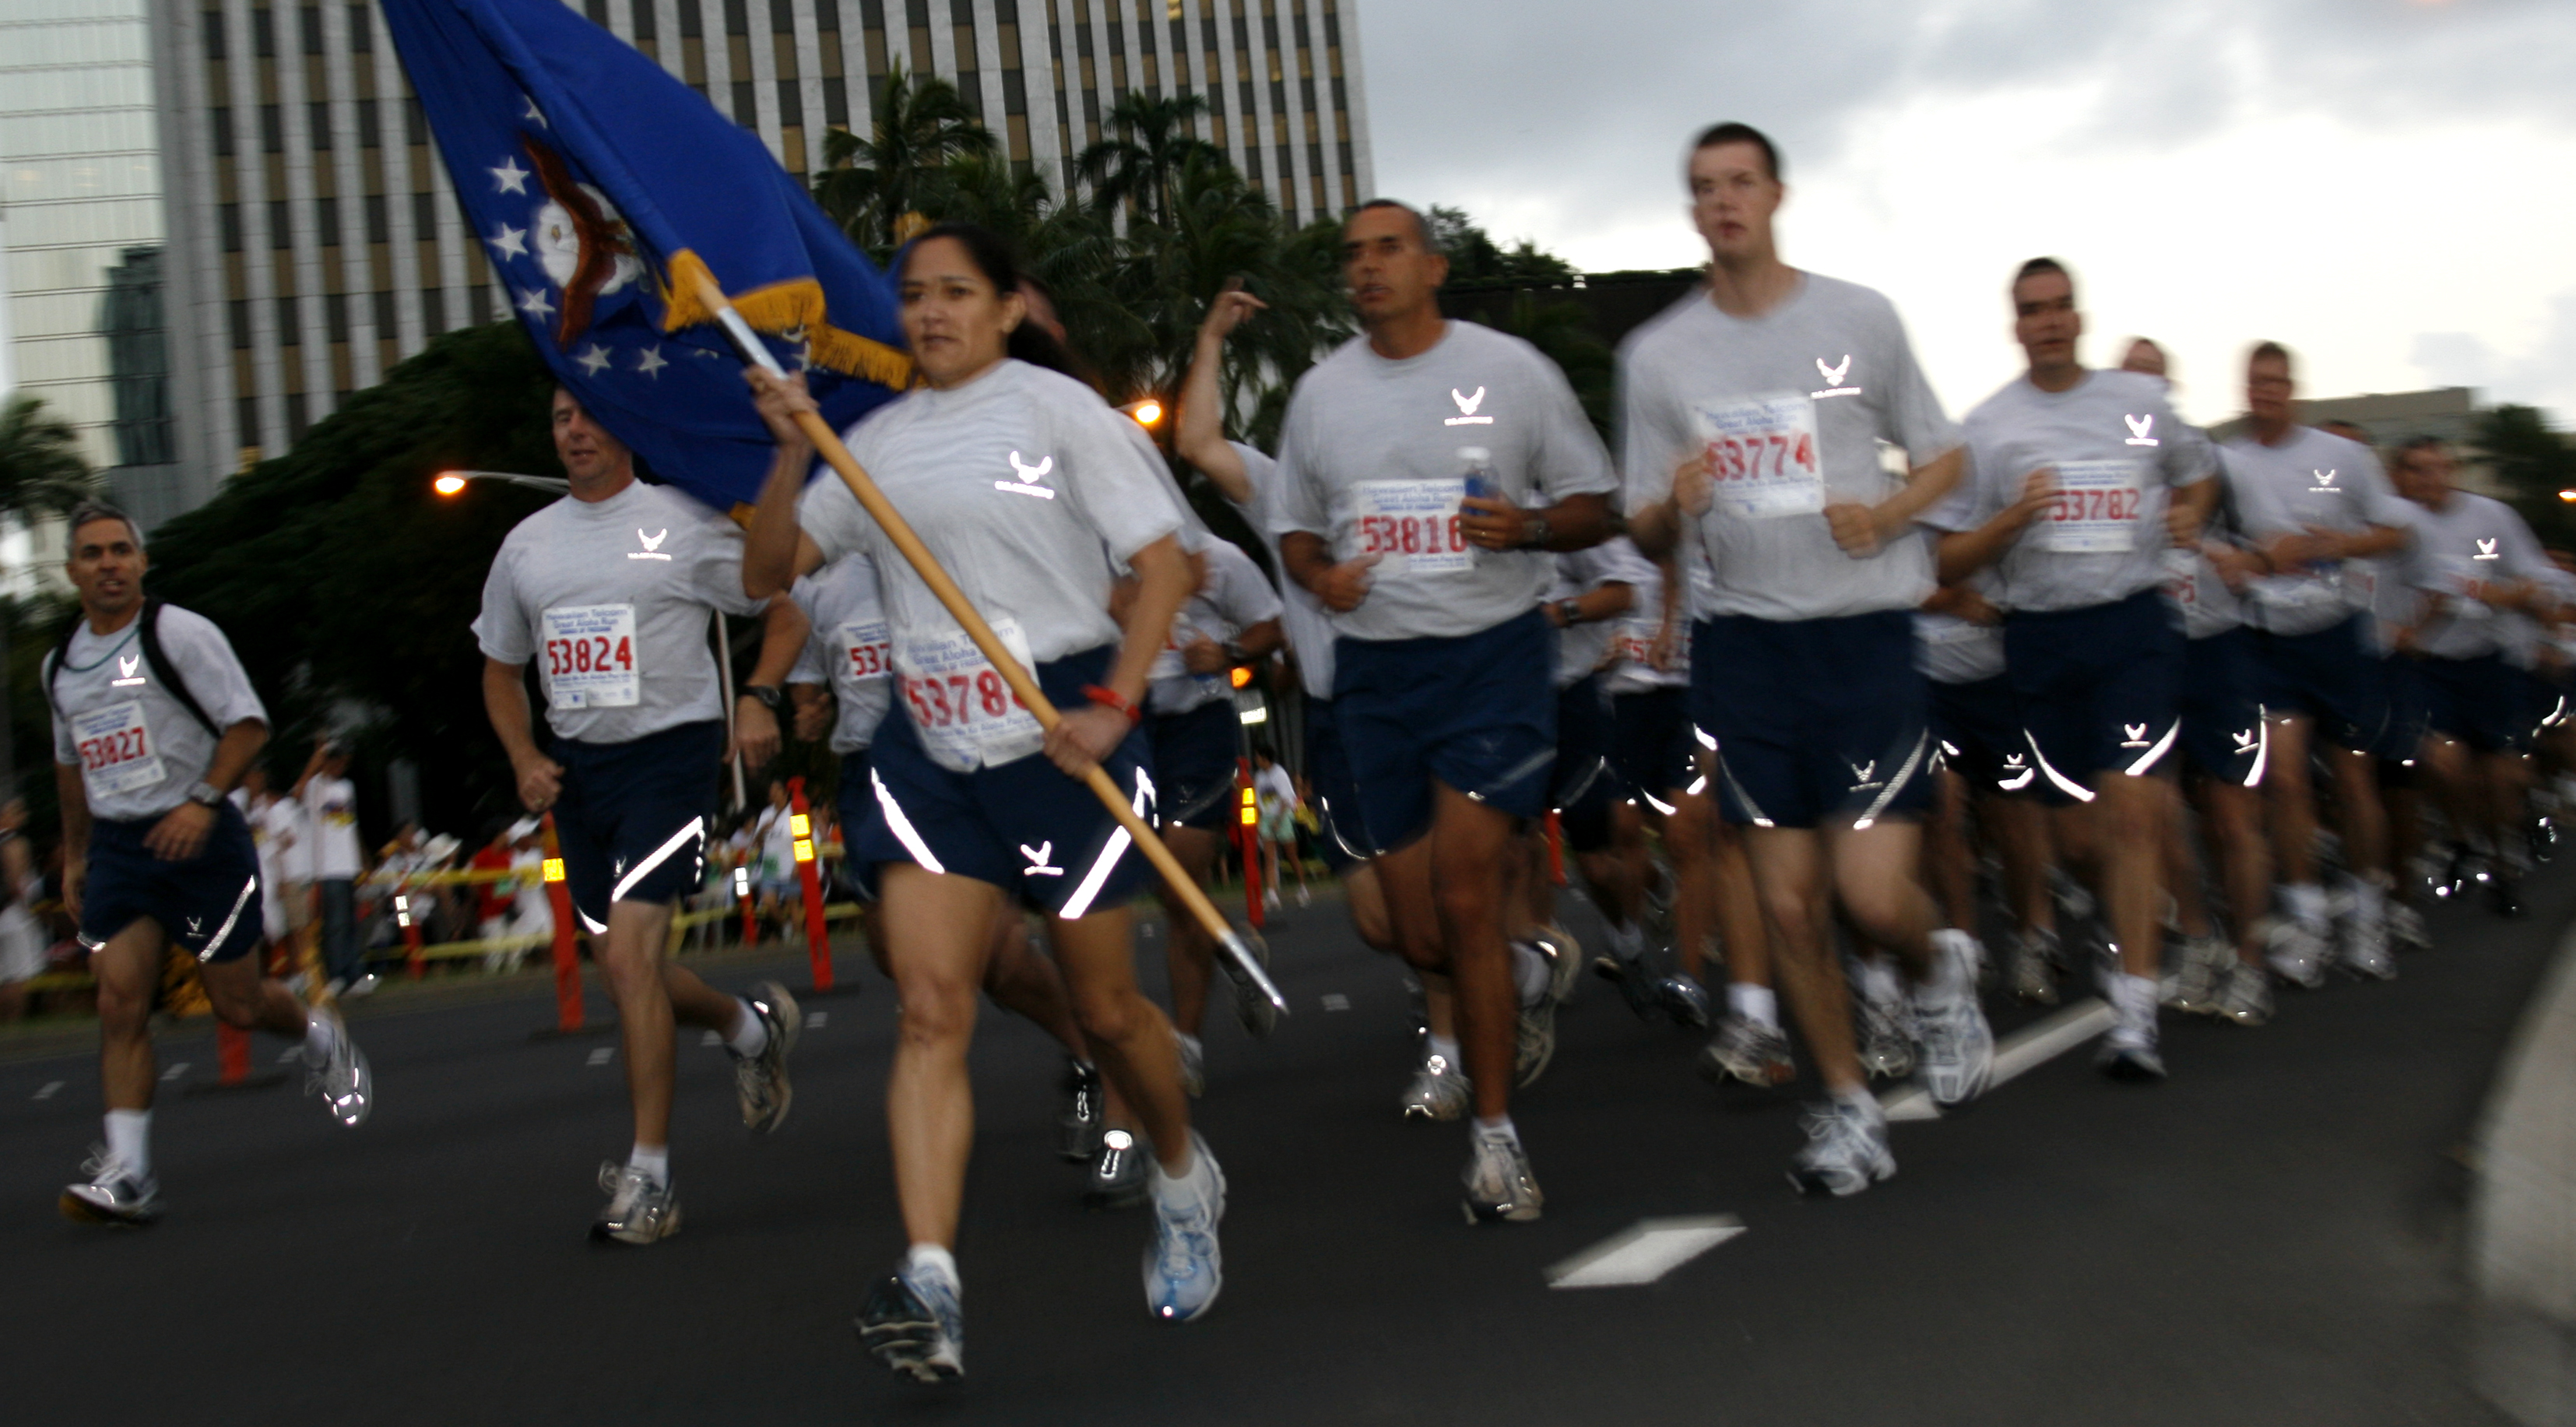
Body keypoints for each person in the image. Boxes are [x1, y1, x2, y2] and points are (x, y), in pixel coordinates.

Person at [743, 220, 1227, 1376]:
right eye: (915, 295)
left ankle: (1179, 1169)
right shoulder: (870, 443)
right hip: (930, 749)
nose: (931, 312)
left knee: (1106, 1011)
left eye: (958, 292)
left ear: (1010, 307)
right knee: (929, 1007)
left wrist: (1114, 700)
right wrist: (787, 449)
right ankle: (933, 1283)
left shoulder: (1064, 417)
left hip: (1062, 729)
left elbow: (1166, 565)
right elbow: (767, 574)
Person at [1622, 123, 1995, 1196]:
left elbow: (1945, 456)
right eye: (1704, 189)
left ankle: (1940, 966)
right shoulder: (1659, 357)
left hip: (1862, 640)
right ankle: (1845, 1109)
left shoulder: (1857, 317)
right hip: (1742, 649)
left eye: (1740, 183)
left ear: (1776, 194)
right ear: (1691, 211)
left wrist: (1887, 516)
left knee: (1874, 899)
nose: (1723, 202)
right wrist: (1670, 509)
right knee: (1787, 907)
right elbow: (1643, 525)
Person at [1270, 199, 1620, 1221]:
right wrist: (1321, 575)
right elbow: (1294, 529)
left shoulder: (1512, 371)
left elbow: (1595, 505)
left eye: (1387, 250)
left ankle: (1497, 1142)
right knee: (1413, 927)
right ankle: (1511, 969)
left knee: (1467, 892)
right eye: (1352, 256)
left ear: (1432, 266)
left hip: (1493, 663)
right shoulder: (1321, 395)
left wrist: (1530, 527)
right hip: (1377, 677)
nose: (1366, 268)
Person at [473, 385, 809, 1245]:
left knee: (628, 961)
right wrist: (524, 758)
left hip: (670, 759)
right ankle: (748, 1026)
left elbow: (781, 595)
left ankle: (650, 1178)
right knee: (633, 969)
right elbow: (501, 672)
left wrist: (761, 696)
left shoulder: (682, 518)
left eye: (588, 412)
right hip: (579, 778)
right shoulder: (525, 549)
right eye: (558, 417)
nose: (574, 430)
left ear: (625, 425)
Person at [1929, 258, 2218, 1080]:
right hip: (2040, 638)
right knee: (2078, 838)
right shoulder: (1986, 428)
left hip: (2132, 624)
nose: (2049, 322)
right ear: (2014, 326)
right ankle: (2132, 917)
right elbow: (1949, 556)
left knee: (2130, 813)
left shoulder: (2138, 402)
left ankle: (2134, 1024)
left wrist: (2192, 510)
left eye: (2060, 308)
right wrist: (2016, 516)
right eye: (2033, 311)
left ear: (2078, 318)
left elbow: (2198, 472)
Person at [46, 501, 371, 1223]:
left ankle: (318, 1032)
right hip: (123, 848)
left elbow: (249, 724)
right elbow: (70, 764)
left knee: (238, 1003)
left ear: (141, 560)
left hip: (202, 840)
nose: (109, 564)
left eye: (121, 551)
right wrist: (76, 853)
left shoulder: (179, 634)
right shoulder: (61, 667)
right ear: (71, 570)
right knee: (118, 1002)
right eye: (93, 554)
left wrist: (200, 800)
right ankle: (129, 1172)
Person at [782, 546, 1110, 1180]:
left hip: (954, 760)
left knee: (996, 956)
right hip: (865, 773)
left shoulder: (945, 543)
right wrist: (808, 705)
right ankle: (1082, 1051)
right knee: (895, 955)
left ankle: (1094, 1057)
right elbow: (806, 668)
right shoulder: (818, 581)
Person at [1173, 283, 1413, 1114]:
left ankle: (1460, 1037)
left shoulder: (1427, 482)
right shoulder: (1283, 493)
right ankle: (1508, 964)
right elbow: (1197, 440)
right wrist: (1211, 338)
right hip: (1339, 718)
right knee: (1383, 922)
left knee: (1440, 888)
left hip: (1425, 703)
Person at [2220, 343, 2413, 984]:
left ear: (2293, 388)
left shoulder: (2341, 457)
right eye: (2256, 383)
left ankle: (2366, 911)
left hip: (2336, 636)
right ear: (2245, 390)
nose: (2266, 392)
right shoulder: (2229, 462)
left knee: (2355, 780)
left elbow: (2395, 531)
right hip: (2266, 639)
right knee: (2283, 780)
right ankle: (2306, 918)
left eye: (2276, 382)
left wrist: (2344, 542)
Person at [2122, 339, 2279, 1026]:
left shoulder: (2215, 462)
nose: (2140, 393)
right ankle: (2198, 934)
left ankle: (2249, 961)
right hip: (2143, 655)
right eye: (2127, 380)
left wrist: (2226, 555)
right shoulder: (2103, 465)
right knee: (2150, 814)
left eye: (2151, 380)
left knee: (2232, 815)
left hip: (2219, 651)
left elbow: (2270, 549)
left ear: (2170, 389)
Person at [2393, 435, 2556, 916]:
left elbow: (2538, 579)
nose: (2430, 479)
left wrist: (2502, 595)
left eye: (2438, 467)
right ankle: (2466, 839)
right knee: (2443, 763)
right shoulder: (2400, 525)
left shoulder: (2492, 516)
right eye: (2418, 469)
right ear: (2403, 475)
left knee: (2503, 775)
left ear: (2454, 469)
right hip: (2434, 666)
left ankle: (2506, 865)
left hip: (2491, 659)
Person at [1147, 536, 1283, 1091]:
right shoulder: (1085, 543)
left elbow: (1269, 625)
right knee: (1166, 888)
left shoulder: (1212, 554)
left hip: (1197, 725)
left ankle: (1185, 1046)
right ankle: (1231, 942)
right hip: (1122, 727)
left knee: (1179, 871)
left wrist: (1227, 653)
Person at [295, 740, 368, 996]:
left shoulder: (347, 787)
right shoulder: (315, 786)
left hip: (348, 865)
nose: (341, 766)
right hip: (327, 867)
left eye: (345, 762)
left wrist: (362, 861)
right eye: (337, 761)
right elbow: (296, 794)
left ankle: (354, 974)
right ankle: (336, 974)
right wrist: (315, 761)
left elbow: (351, 824)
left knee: (351, 922)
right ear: (327, 761)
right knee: (335, 924)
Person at [0, 800, 44, 1023]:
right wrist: (32, 911)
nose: (22, 815)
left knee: (4, 971)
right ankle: (12, 1021)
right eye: (16, 811)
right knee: (18, 974)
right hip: (14, 914)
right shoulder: (14, 843)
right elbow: (18, 884)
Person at [1249, 745, 1305, 905]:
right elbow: (1257, 799)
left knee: (1291, 855)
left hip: (1282, 816)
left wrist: (1278, 820)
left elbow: (1286, 798)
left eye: (1257, 756)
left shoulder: (1279, 774)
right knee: (1269, 858)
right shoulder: (1259, 776)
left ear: (1265, 758)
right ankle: (1272, 894)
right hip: (1267, 818)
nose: (1256, 759)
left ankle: (1302, 888)